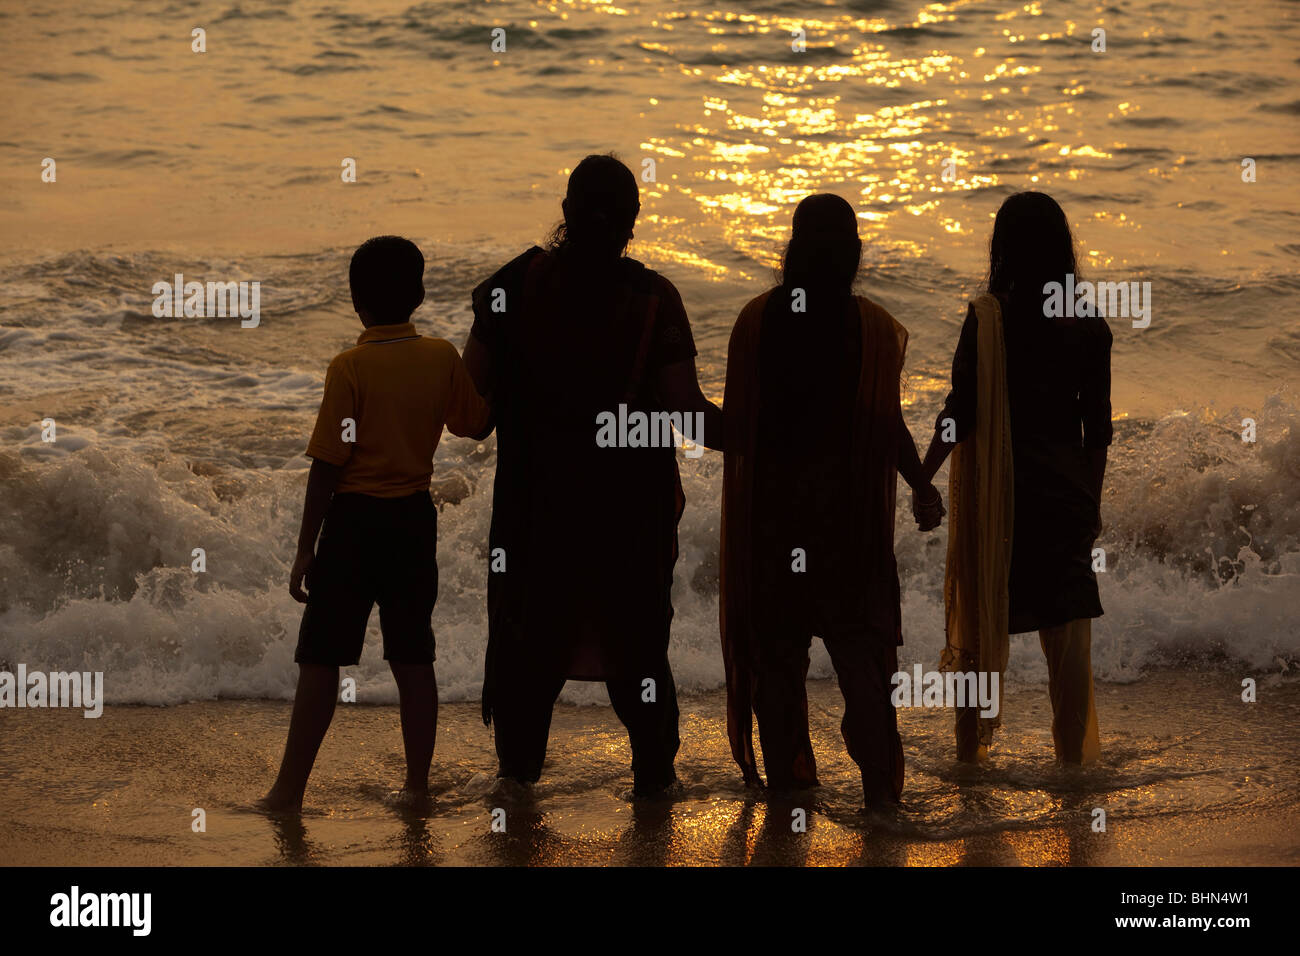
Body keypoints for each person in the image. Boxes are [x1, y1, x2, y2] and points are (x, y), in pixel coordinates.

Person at [462, 154, 722, 796]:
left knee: (528, 661)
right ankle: (654, 796)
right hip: (629, 518)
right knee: (638, 660)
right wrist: (765, 433)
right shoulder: (652, 299)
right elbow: (689, 413)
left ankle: (516, 800)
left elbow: (468, 416)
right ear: (633, 221)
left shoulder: (513, 286)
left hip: (533, 515)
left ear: (565, 214)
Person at [719, 194, 943, 808]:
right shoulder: (870, 329)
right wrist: (919, 482)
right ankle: (881, 800)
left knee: (778, 669)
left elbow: (738, 428)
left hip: (774, 526)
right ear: (854, 254)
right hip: (849, 531)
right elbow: (885, 421)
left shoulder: (758, 322)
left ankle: (791, 793)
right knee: (862, 665)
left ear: (792, 250)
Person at [260, 236, 490, 812]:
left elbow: (327, 466)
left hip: (355, 524)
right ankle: (416, 787)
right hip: (413, 519)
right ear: (417, 294)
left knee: (321, 657)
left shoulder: (350, 367)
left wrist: (304, 548)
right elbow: (476, 426)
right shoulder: (441, 357)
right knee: (413, 655)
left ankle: (288, 791)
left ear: (355, 301)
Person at [920, 191, 1111, 765]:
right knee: (1069, 635)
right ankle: (1073, 765)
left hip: (999, 502)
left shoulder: (986, 321)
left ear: (1001, 249)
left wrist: (921, 477)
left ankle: (969, 760)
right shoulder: (1087, 325)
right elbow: (1096, 433)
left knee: (981, 626)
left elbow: (960, 412)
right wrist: (1092, 504)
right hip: (1064, 498)